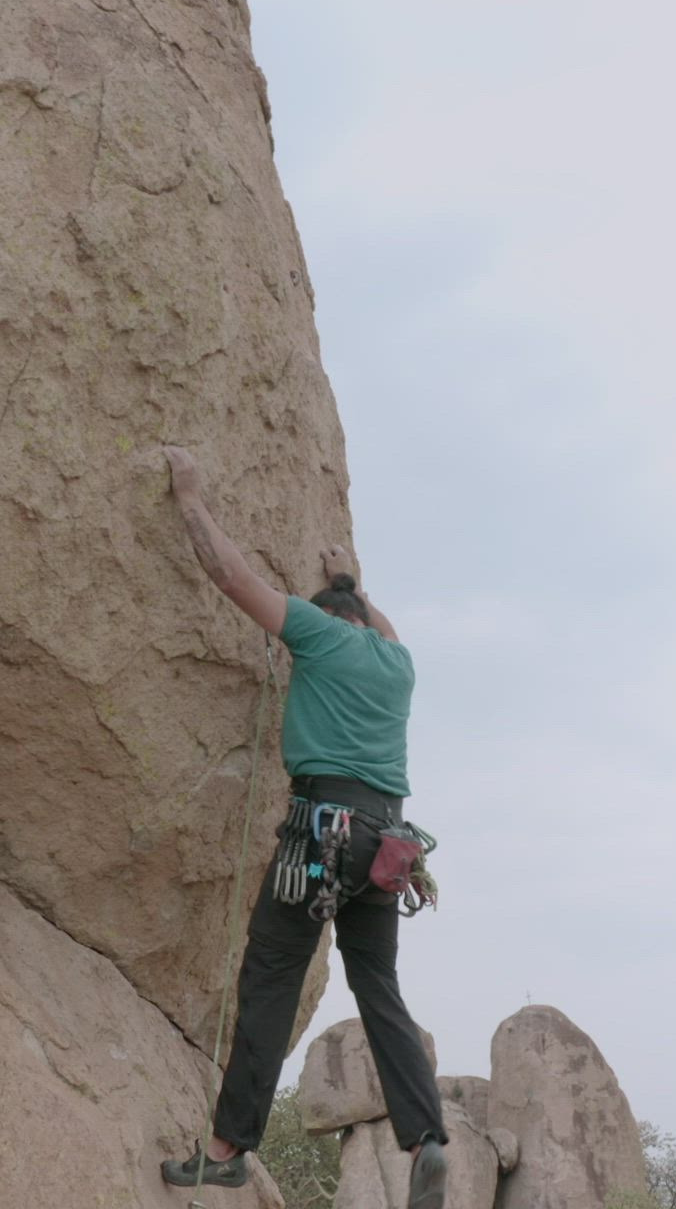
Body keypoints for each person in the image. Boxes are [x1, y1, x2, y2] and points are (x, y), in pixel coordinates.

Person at [160, 446, 448, 1209]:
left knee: (271, 978)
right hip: (388, 849)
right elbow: (381, 626)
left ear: (325, 624)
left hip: (321, 833)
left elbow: (232, 578)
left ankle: (226, 1150)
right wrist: (353, 582)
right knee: (378, 984)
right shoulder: (399, 664)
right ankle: (426, 1138)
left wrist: (192, 496)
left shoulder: (318, 637)